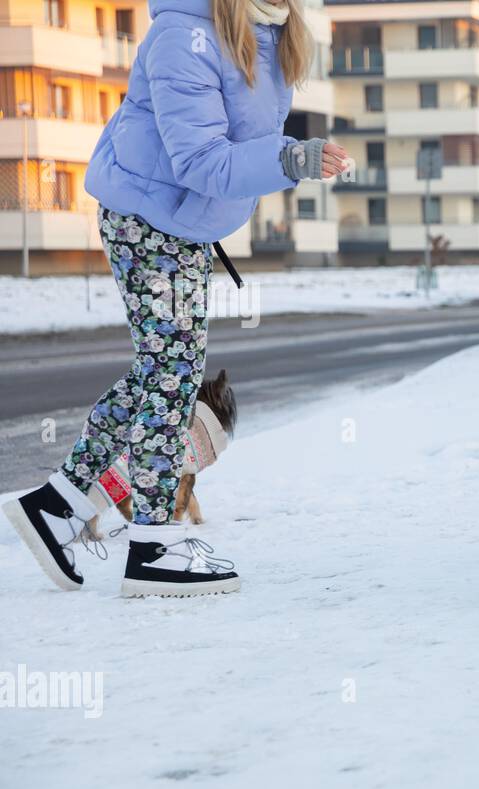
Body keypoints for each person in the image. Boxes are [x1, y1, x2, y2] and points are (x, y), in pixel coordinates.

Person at [2, 0, 349, 598]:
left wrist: (287, 158)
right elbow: (201, 160)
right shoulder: (182, 35)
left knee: (163, 373)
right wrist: (290, 157)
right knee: (170, 374)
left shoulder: (273, 36)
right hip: (146, 217)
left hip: (187, 226)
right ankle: (153, 542)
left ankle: (56, 504)